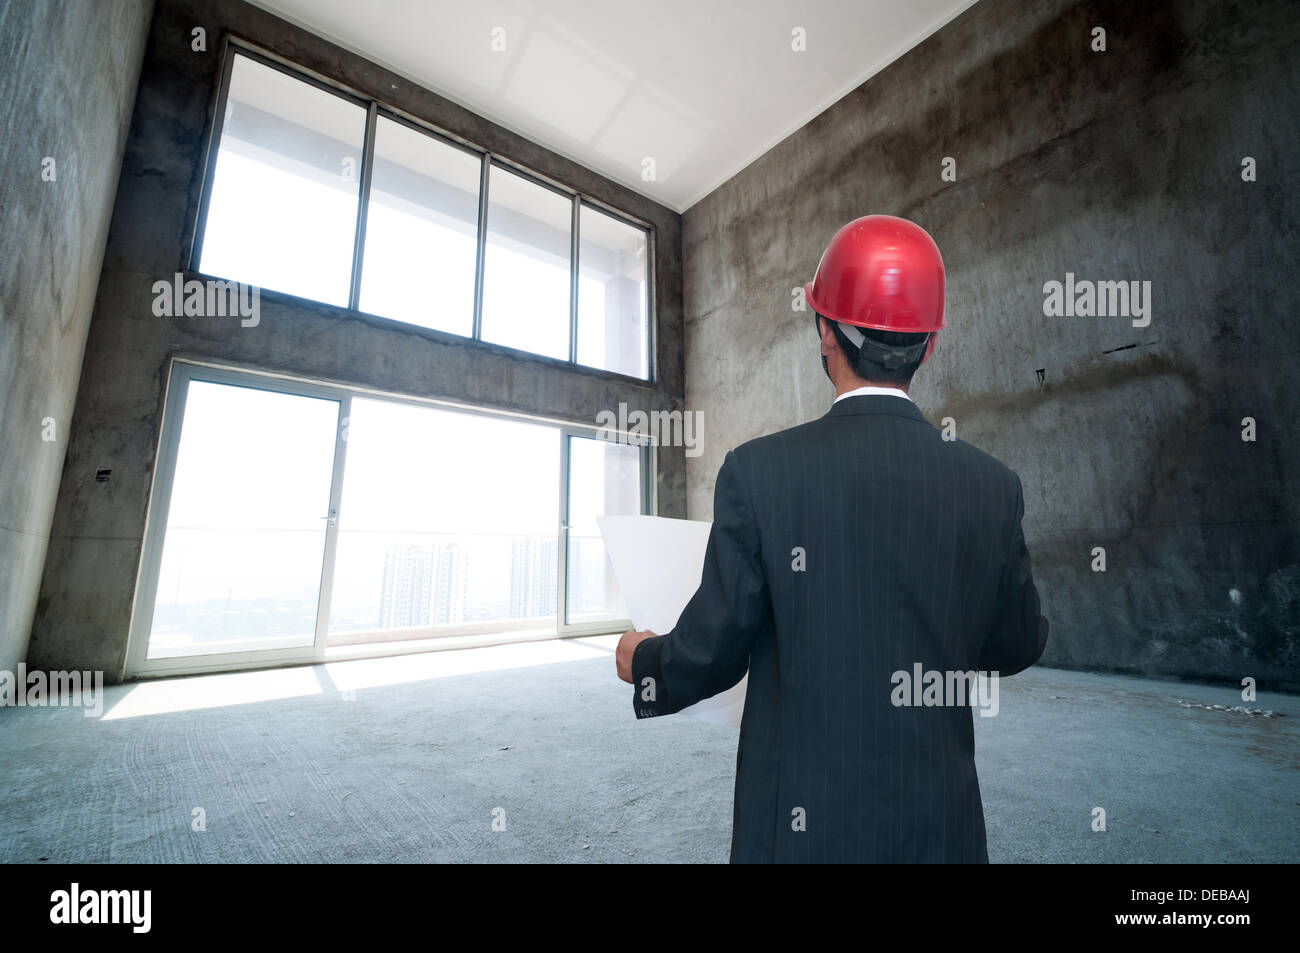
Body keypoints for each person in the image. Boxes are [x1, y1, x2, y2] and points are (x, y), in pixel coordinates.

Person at [615, 214, 1048, 863]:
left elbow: (715, 650)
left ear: (824, 329)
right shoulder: (992, 486)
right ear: (930, 344)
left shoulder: (759, 473)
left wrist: (644, 662)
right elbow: (1016, 642)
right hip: (939, 832)